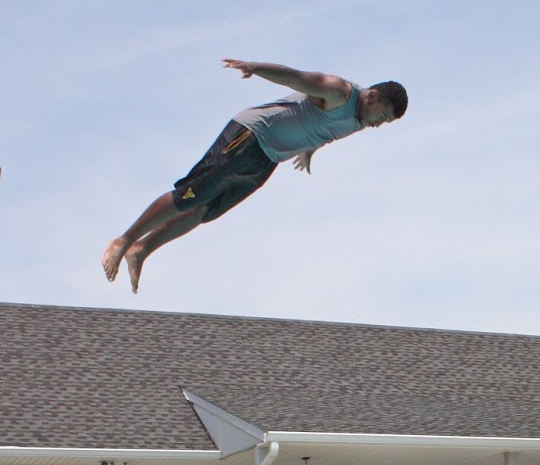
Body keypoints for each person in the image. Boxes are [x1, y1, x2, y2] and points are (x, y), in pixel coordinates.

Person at [102, 59, 408, 292]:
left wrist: (307, 151)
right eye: (382, 117)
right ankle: (124, 239)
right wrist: (254, 67)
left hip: (268, 159)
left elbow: (324, 131)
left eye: (385, 123)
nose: (379, 125)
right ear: (374, 97)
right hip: (250, 135)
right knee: (191, 196)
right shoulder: (339, 92)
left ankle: (142, 250)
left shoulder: (359, 121)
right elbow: (297, 78)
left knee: (207, 210)